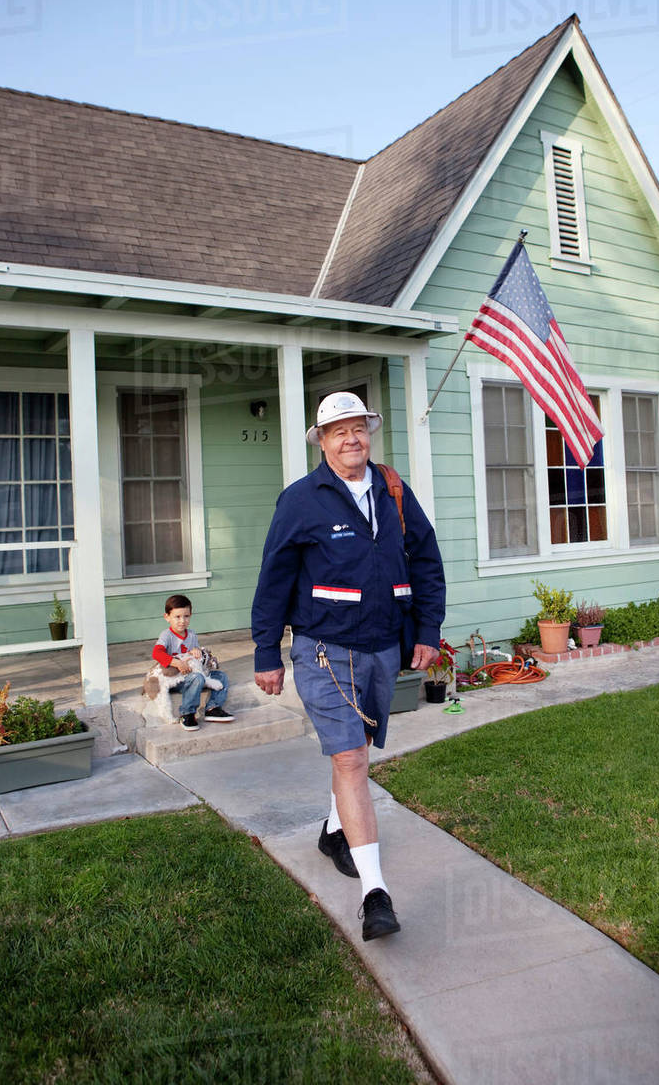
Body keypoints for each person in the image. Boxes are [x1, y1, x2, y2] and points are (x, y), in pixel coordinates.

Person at [252, 392, 445, 941]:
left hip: (385, 645)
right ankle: (375, 894)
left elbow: (427, 562)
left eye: (358, 428)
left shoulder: (393, 492)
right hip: (324, 649)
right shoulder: (301, 500)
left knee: (354, 749)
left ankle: (334, 831)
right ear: (323, 441)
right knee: (352, 760)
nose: (351, 439)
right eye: (338, 432)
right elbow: (273, 581)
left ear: (370, 432)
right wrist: (267, 653)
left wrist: (427, 631)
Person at [152, 594, 234, 729]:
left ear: (190, 615)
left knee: (221, 676)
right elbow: (157, 653)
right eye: (177, 617)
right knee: (197, 677)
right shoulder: (167, 635)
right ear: (167, 617)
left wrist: (197, 651)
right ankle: (187, 713)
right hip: (176, 679)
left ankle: (212, 708)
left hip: (193, 674)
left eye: (186, 616)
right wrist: (177, 663)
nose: (182, 621)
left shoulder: (191, 635)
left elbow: (195, 658)